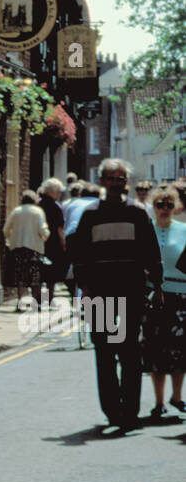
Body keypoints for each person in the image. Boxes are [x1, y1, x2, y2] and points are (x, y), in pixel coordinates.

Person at [70, 157, 163, 433]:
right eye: (111, 178)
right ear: (102, 181)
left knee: (131, 352)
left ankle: (130, 412)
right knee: (105, 353)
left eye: (120, 178)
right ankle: (112, 410)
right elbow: (81, 256)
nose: (115, 182)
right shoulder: (90, 215)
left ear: (126, 182)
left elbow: (151, 251)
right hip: (100, 294)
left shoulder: (138, 213)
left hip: (131, 292)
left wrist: (157, 287)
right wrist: (84, 288)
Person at [143, 185, 186, 419]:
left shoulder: (184, 230)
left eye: (170, 204)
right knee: (154, 348)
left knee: (179, 349)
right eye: (160, 204)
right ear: (154, 206)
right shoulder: (146, 229)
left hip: (181, 294)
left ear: (176, 206)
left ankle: (177, 397)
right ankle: (159, 402)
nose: (165, 209)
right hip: (154, 296)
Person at [3, 190, 50, 312]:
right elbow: (42, 229)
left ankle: (21, 303)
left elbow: (6, 229)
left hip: (18, 248)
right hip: (34, 248)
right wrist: (46, 236)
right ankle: (36, 303)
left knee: (20, 276)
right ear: (34, 200)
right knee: (35, 277)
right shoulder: (37, 212)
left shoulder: (16, 211)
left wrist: (10, 240)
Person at [37, 179, 67, 304]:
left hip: (38, 240)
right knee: (52, 274)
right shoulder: (56, 207)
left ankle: (37, 298)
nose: (59, 195)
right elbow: (60, 228)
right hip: (53, 242)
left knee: (39, 271)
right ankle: (49, 298)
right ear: (52, 192)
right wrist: (63, 243)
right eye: (58, 192)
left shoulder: (37, 204)